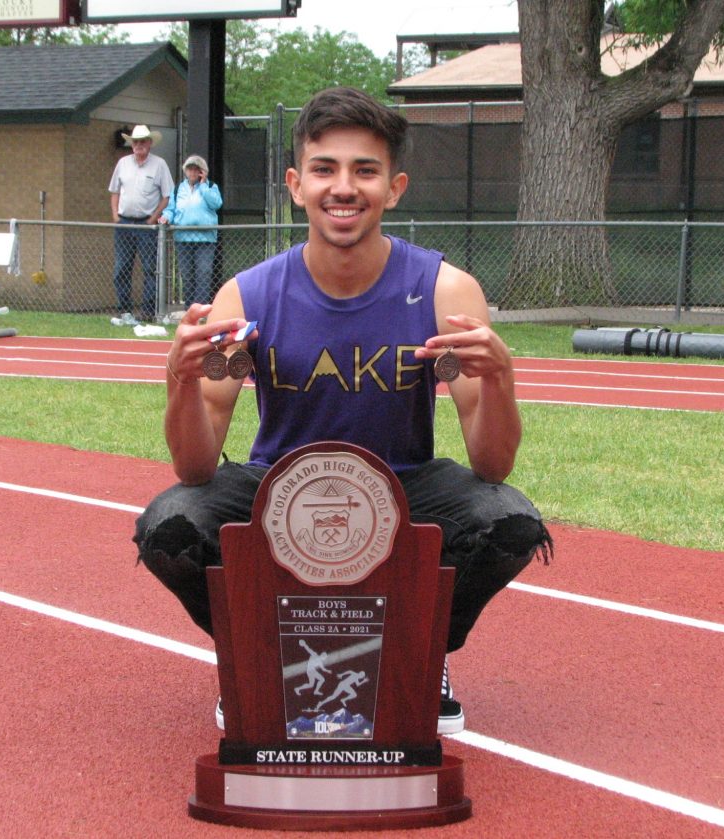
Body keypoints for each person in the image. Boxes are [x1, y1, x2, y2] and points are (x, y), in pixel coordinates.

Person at [134, 87, 551, 735]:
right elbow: (194, 467)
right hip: (278, 484)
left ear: (395, 186)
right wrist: (179, 382)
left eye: (365, 170)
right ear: (297, 185)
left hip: (404, 483)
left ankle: (421, 653)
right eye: (326, 169)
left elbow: (491, 462)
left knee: (509, 520)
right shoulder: (245, 295)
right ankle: (256, 657)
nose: (344, 187)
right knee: (169, 525)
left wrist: (500, 379)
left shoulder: (446, 290)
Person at [108, 124, 174, 324]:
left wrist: (152, 219)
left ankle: (147, 311)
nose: (139, 145)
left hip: (147, 225)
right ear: (131, 144)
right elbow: (114, 192)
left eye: (143, 141)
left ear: (150, 143)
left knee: (150, 268)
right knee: (122, 268)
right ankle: (124, 310)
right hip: (125, 223)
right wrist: (116, 217)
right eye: (135, 142)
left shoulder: (159, 164)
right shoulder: (123, 163)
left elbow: (167, 196)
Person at [159, 154, 223, 306]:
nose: (193, 173)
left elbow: (216, 204)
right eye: (190, 169)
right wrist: (165, 217)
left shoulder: (211, 186)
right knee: (187, 275)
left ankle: (200, 308)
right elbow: (171, 209)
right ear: (185, 171)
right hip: (183, 238)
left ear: (202, 171)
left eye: (197, 170)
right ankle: (189, 307)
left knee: (203, 273)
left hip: (205, 238)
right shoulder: (178, 189)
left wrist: (203, 185)